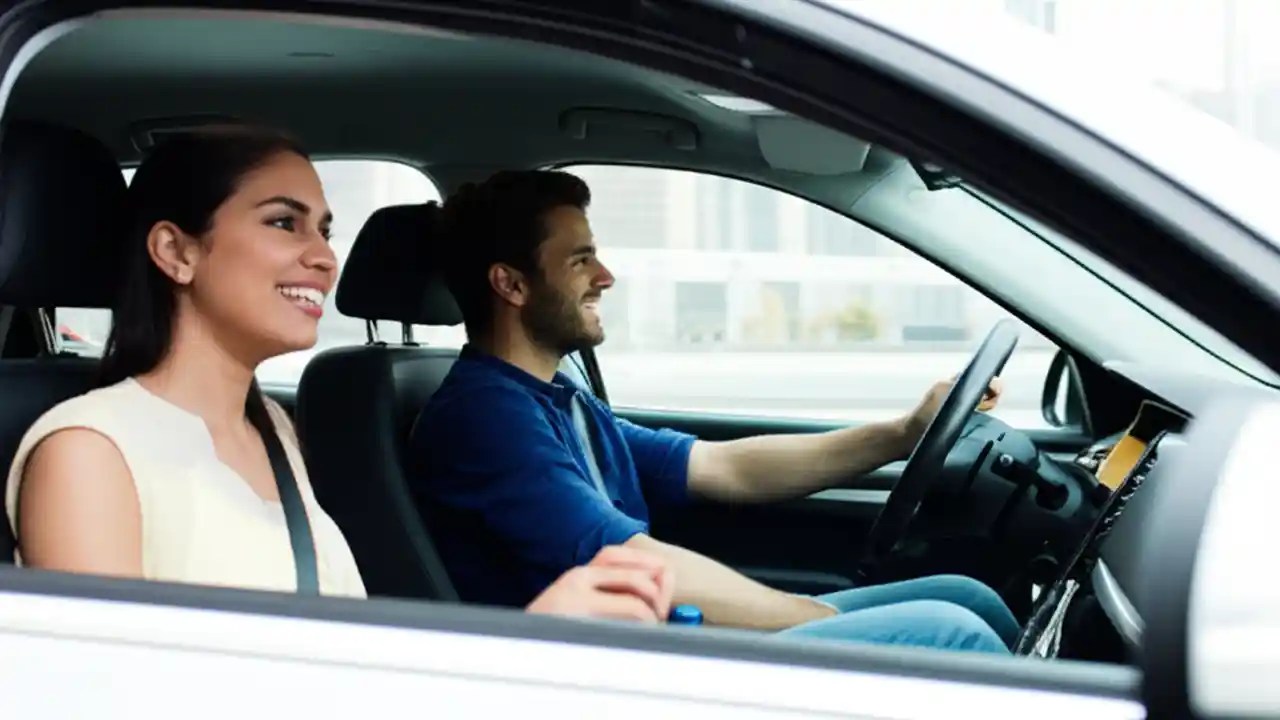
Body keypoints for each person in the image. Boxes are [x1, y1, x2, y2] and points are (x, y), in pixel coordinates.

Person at [4, 128, 676, 624]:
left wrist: (539, 636)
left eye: (324, 229)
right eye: (282, 222)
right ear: (176, 251)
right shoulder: (89, 454)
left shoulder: (272, 431)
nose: (324, 257)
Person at [410, 170, 1019, 653]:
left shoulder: (559, 397)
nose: (606, 276)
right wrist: (807, 618)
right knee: (951, 634)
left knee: (967, 598)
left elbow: (726, 468)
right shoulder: (483, 416)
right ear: (511, 286)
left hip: (658, 635)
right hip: (609, 669)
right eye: (580, 260)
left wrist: (902, 433)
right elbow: (627, 562)